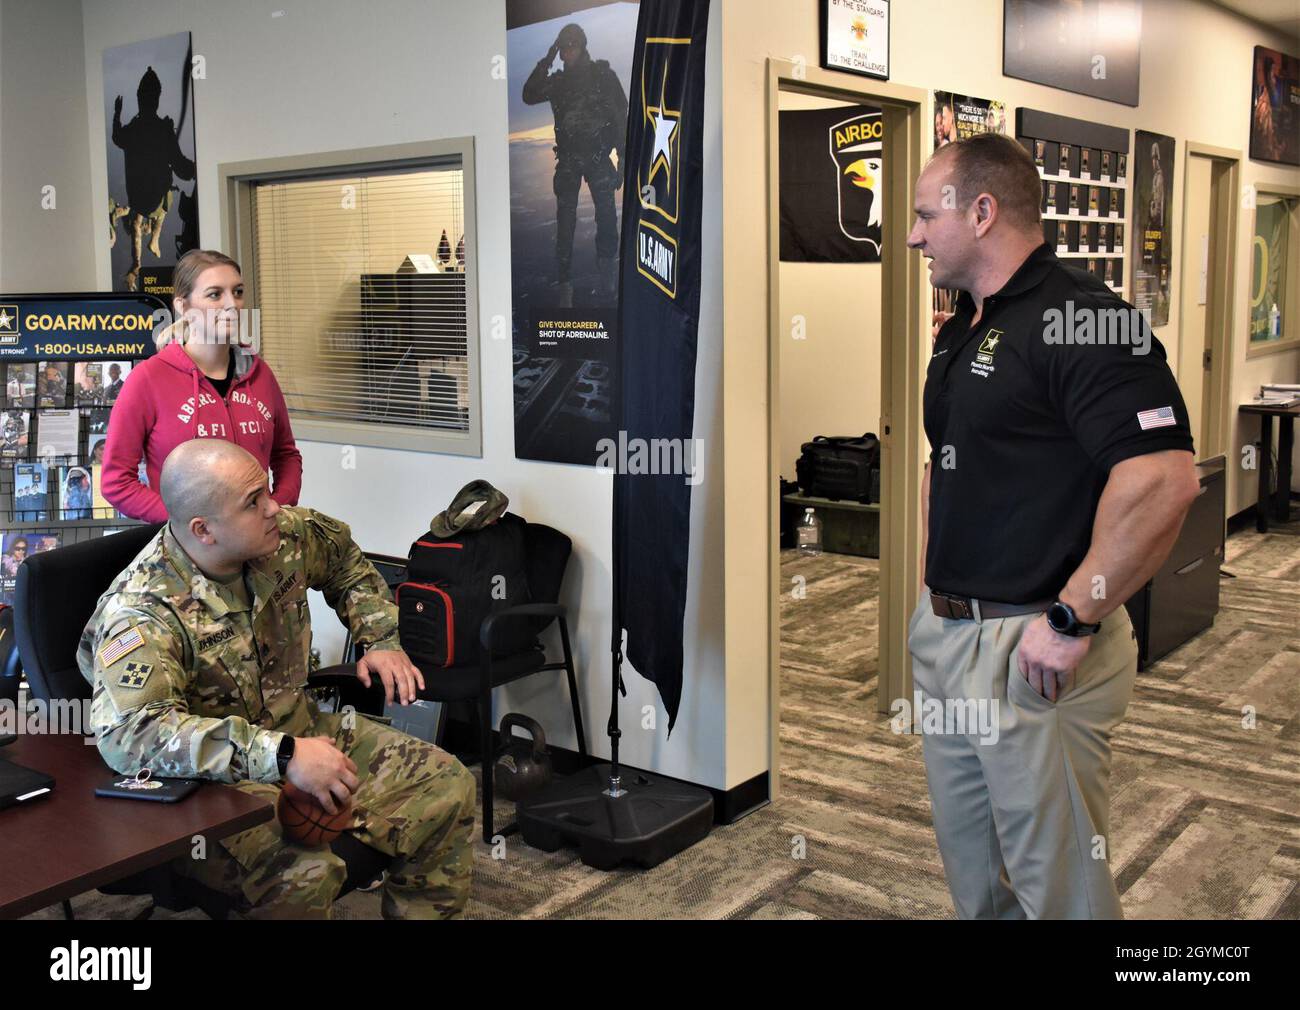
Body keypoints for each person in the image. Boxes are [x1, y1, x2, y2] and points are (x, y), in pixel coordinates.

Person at [904, 132, 1200, 919]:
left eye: (926, 215)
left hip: (1036, 649)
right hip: (950, 635)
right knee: (976, 877)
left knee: (1058, 889)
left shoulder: (1089, 321)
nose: (912, 234)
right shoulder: (961, 327)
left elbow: (1163, 477)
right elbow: (947, 464)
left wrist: (1073, 616)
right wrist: (929, 601)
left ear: (983, 211)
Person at [78, 439, 476, 919]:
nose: (274, 507)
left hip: (298, 727)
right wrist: (281, 755)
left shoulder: (282, 535)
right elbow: (131, 735)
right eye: (253, 502)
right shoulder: (143, 611)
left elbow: (344, 560)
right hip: (207, 781)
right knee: (304, 871)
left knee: (447, 785)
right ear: (203, 529)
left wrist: (380, 637)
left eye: (266, 490)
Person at [102, 249, 303, 524]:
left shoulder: (261, 374)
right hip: (187, 552)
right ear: (183, 306)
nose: (232, 304)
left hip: (260, 544)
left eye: (238, 291)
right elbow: (117, 481)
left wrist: (276, 508)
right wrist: (183, 526)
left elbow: (286, 455)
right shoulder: (148, 379)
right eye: (215, 294)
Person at [522, 22, 628, 306]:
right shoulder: (557, 83)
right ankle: (565, 290)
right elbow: (528, 94)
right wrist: (548, 56)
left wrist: (624, 158)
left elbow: (621, 117)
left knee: (606, 219)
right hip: (568, 160)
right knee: (565, 225)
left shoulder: (602, 77)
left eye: (572, 45)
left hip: (597, 157)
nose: (568, 52)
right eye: (564, 47)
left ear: (582, 46)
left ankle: (607, 284)